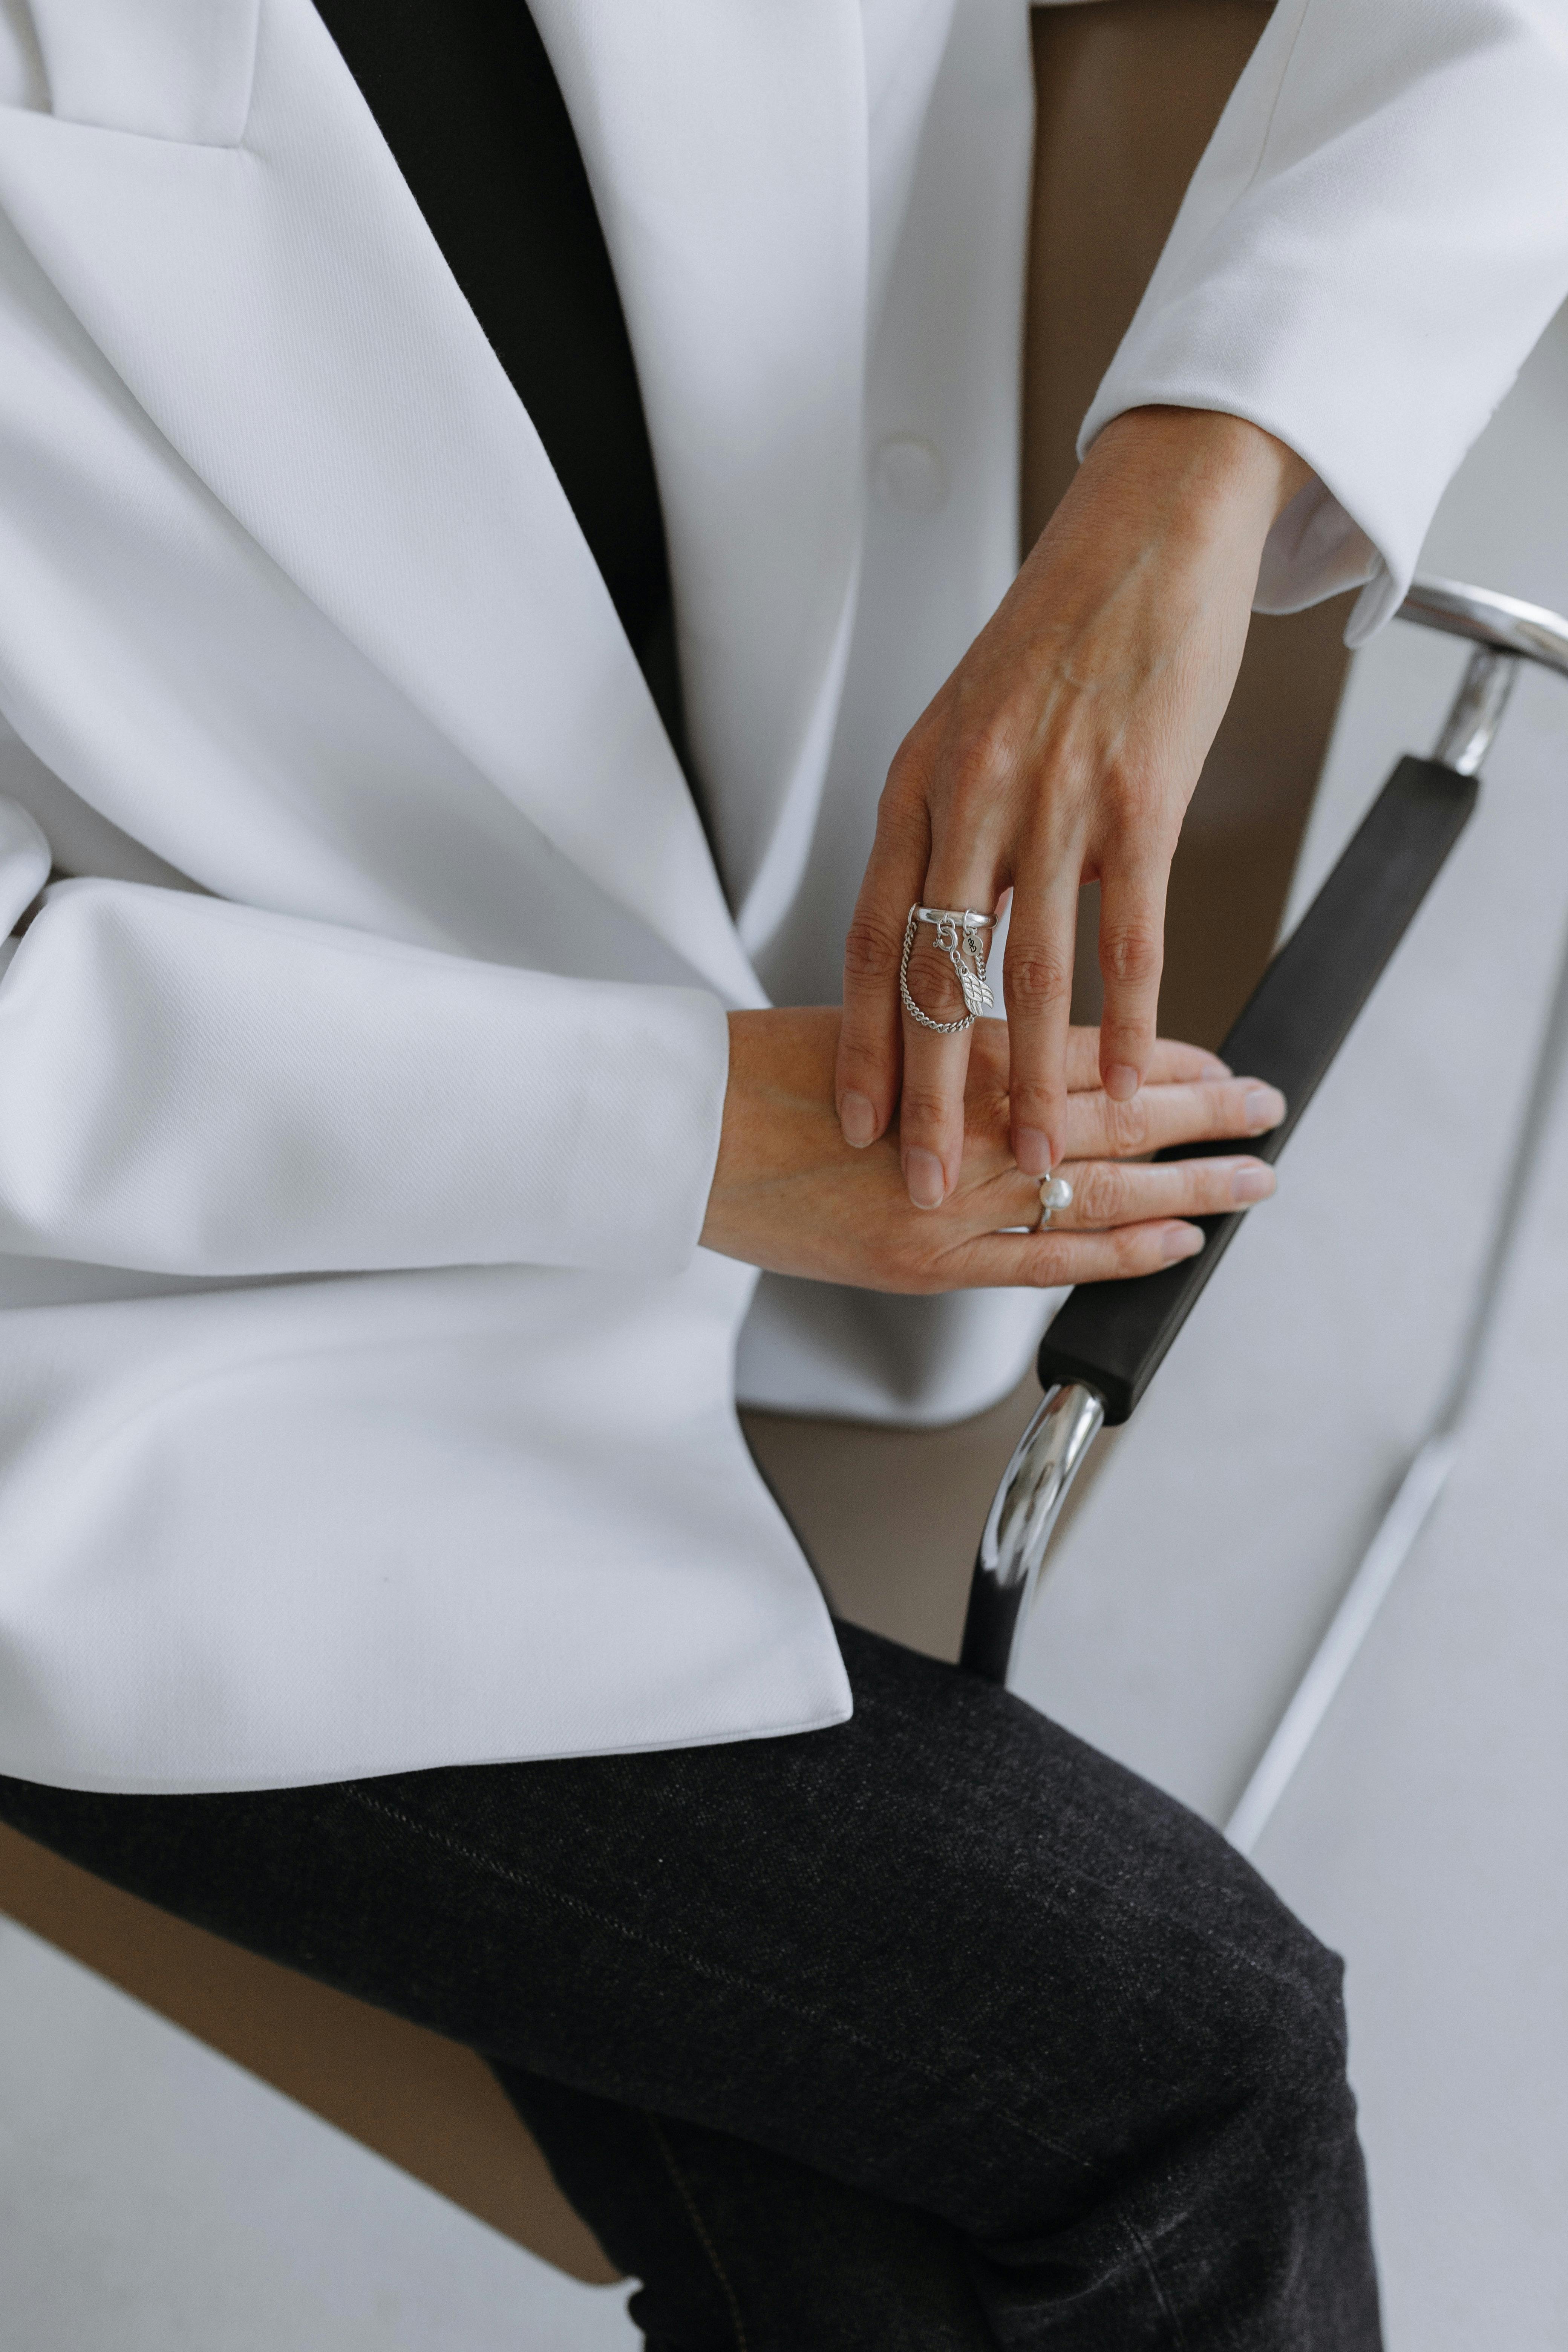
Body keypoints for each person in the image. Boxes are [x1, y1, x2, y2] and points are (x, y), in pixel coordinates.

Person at [0, 1, 1563, 2342]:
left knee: (891, 2252)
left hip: (826, 1011)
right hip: (141, 1323)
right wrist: (686, 1129)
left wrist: (1200, 463)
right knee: (1184, 2071)